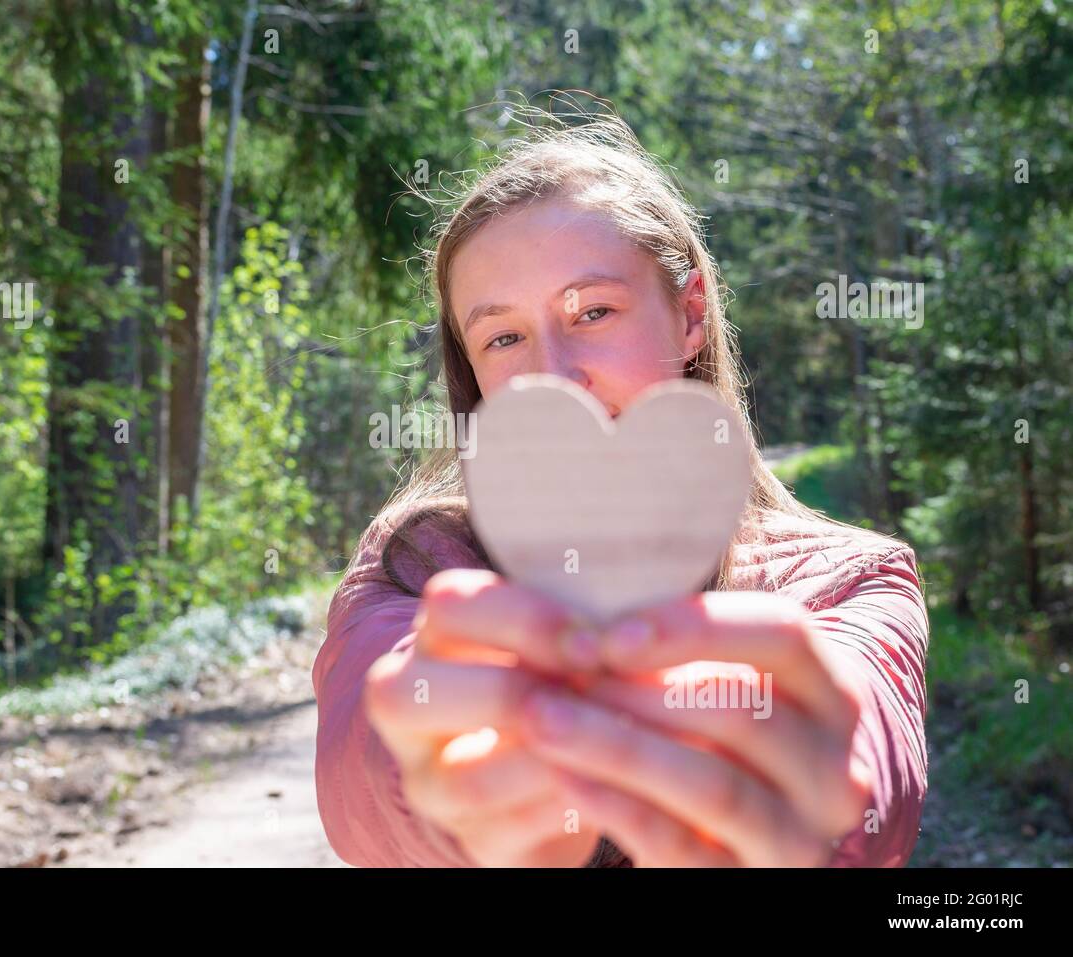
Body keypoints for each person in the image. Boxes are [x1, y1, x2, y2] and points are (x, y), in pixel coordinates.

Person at [312, 104, 929, 867]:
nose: (555, 376)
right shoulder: (418, 562)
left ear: (690, 313)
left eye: (594, 310)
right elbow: (360, 763)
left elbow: (866, 751)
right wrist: (452, 790)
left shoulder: (850, 579)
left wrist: (811, 794)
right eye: (503, 337)